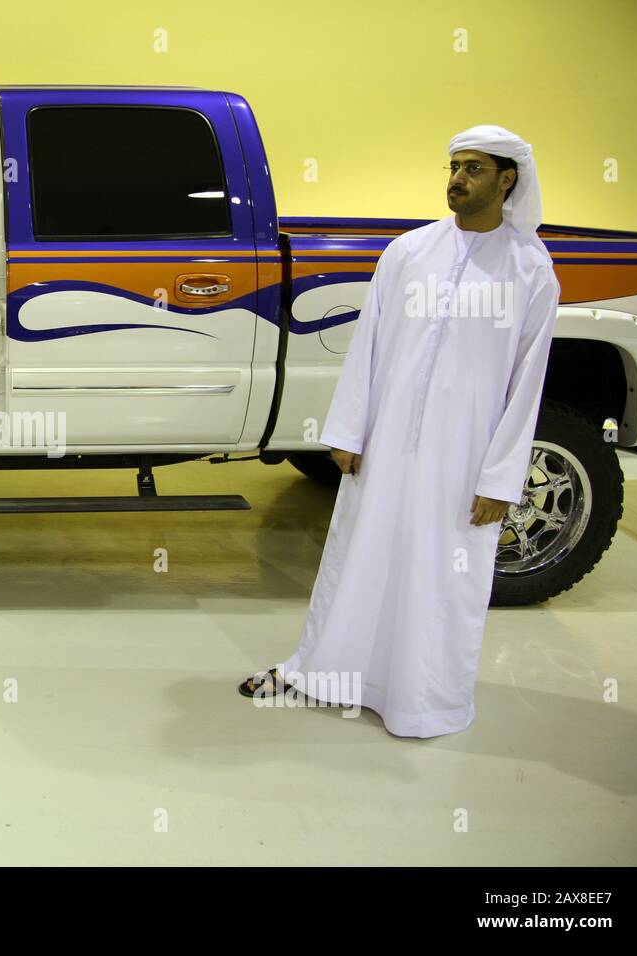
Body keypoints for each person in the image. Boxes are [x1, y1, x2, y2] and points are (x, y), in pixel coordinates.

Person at [239, 125, 561, 738]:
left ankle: (423, 699)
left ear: (507, 178)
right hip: (386, 443)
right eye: (452, 167)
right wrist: (349, 429)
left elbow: (527, 386)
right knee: (361, 556)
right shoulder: (409, 252)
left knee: (444, 571)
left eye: (472, 168)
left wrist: (501, 478)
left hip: (466, 456)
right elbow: (370, 347)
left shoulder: (530, 270)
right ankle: (326, 674)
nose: (457, 180)